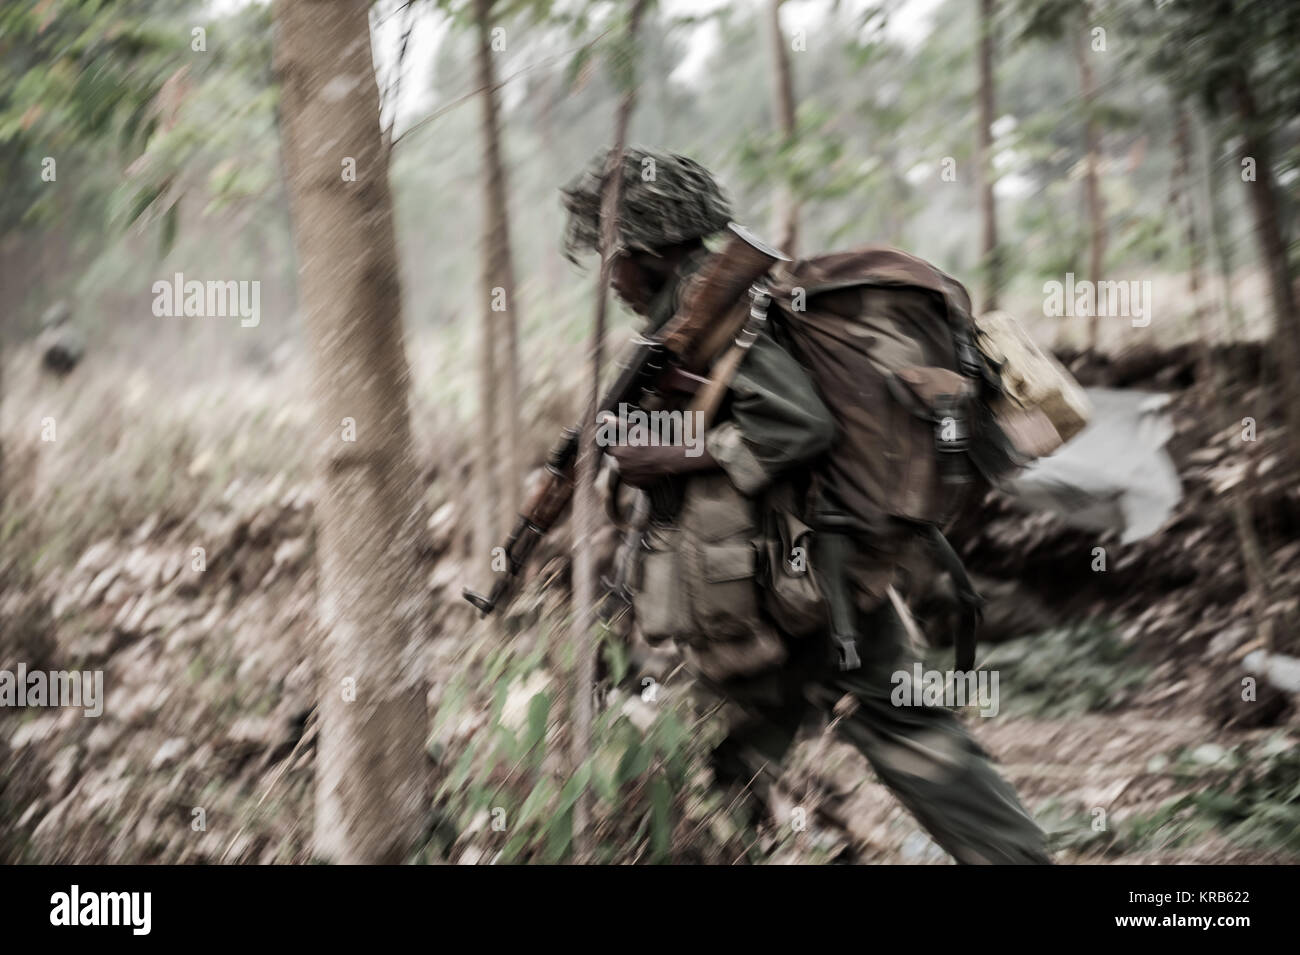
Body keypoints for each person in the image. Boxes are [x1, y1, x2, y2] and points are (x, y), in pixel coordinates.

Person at [562, 147, 1051, 864]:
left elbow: (797, 424)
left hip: (782, 589)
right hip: (815, 574)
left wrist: (668, 453)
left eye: (614, 259)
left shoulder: (722, 313)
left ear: (648, 252)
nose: (611, 279)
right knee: (893, 731)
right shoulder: (704, 310)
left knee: (707, 757)